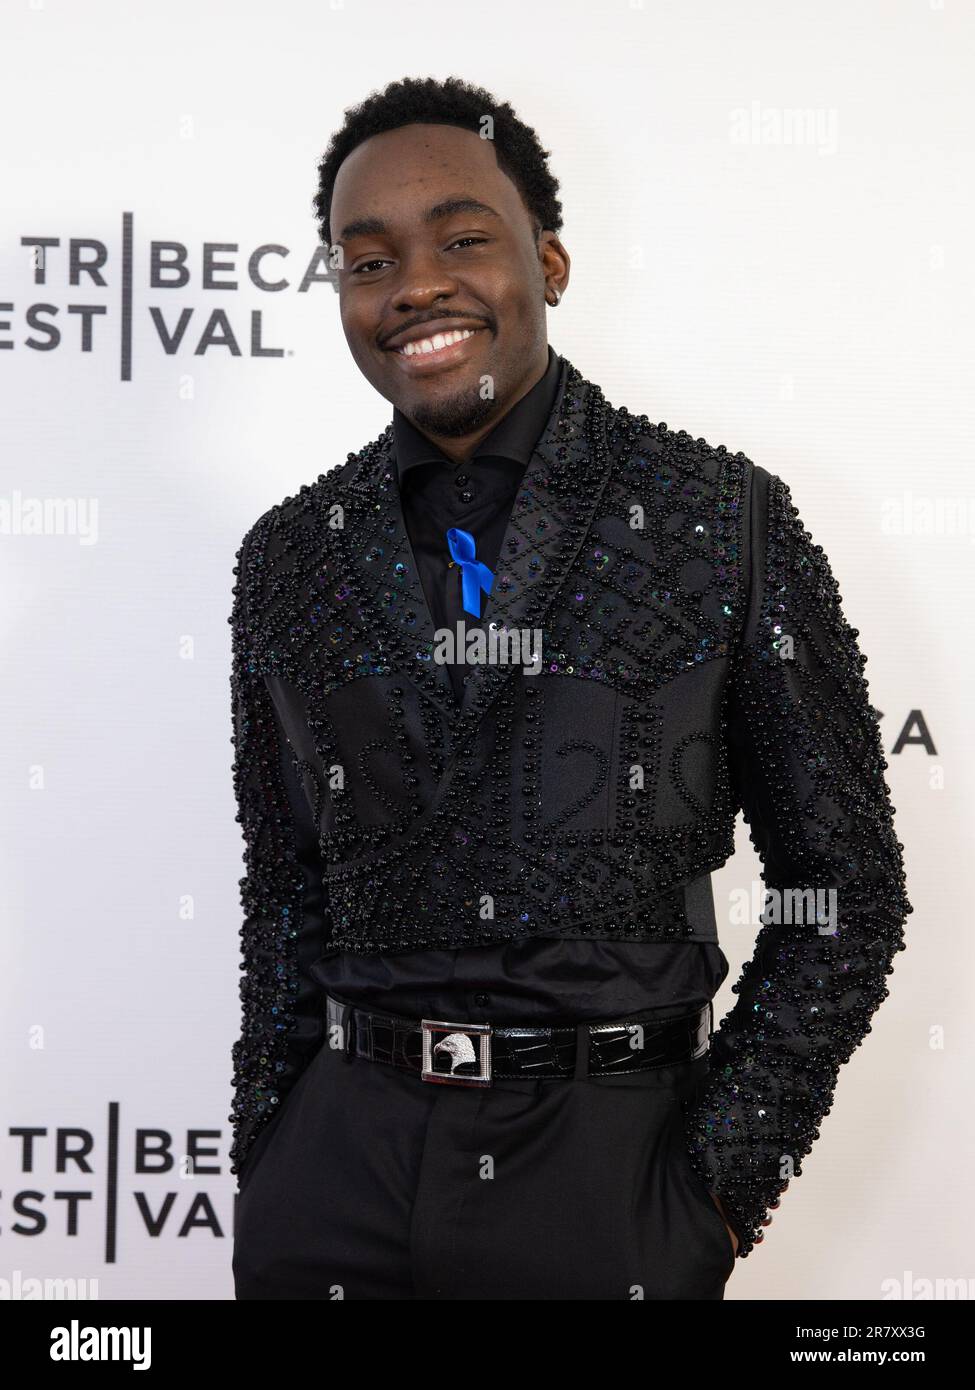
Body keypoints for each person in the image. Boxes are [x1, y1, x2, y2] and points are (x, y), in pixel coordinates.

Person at [227, 75, 912, 1300]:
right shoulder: (288, 556)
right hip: (333, 1189)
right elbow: (286, 898)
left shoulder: (720, 521)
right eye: (368, 259)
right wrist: (271, 1154)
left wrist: (708, 1188)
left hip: (610, 1190)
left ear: (548, 260)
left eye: (464, 238)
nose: (417, 284)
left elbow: (842, 887)